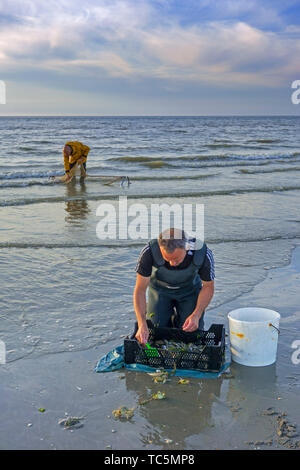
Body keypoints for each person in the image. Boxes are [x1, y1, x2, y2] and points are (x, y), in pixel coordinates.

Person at [133, 228, 215, 345]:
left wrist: (196, 314)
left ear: (186, 247)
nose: (172, 264)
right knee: (156, 331)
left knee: (191, 333)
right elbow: (140, 289)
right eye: (167, 259)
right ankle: (166, 317)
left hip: (189, 291)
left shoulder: (203, 253)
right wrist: (141, 324)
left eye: (176, 259)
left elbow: (208, 286)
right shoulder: (149, 251)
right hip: (159, 291)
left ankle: (180, 319)